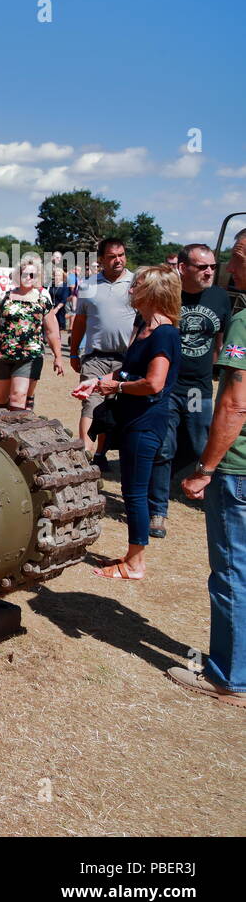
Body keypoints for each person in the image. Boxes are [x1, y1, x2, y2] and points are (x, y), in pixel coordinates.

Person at [73, 266, 182, 581]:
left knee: (134, 492)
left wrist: (116, 388)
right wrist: (95, 384)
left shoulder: (164, 333)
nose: (130, 290)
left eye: (136, 286)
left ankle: (135, 564)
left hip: (146, 422)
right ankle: (133, 555)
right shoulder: (145, 326)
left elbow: (154, 383)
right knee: (132, 489)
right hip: (134, 419)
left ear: (152, 293)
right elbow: (125, 371)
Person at [176, 236, 246, 707]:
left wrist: (206, 467)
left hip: (239, 470)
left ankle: (229, 677)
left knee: (232, 572)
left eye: (234, 260)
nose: (228, 270)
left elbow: (236, 403)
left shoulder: (241, 319)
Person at [144, 244, 232, 539]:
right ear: (183, 268)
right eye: (202, 267)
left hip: (199, 388)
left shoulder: (220, 297)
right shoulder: (167, 294)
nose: (210, 272)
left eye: (212, 267)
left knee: (198, 446)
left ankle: (176, 486)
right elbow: (145, 332)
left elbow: (221, 336)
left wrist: (223, 371)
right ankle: (158, 510)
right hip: (167, 385)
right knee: (163, 448)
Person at [70, 238, 135, 471]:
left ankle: (100, 454)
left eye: (121, 255)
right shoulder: (88, 285)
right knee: (90, 403)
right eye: (112, 256)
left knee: (111, 408)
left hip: (126, 358)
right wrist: (74, 352)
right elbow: (80, 321)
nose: (118, 260)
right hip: (95, 356)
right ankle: (83, 453)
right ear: (101, 260)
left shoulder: (137, 282)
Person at [0, 258, 64, 409]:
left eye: (32, 275)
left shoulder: (43, 301)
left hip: (30, 356)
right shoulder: (4, 297)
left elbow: (52, 331)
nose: (28, 278)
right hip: (1, 354)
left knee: (18, 396)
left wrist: (58, 356)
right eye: (24, 274)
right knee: (1, 399)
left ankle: (15, 429)